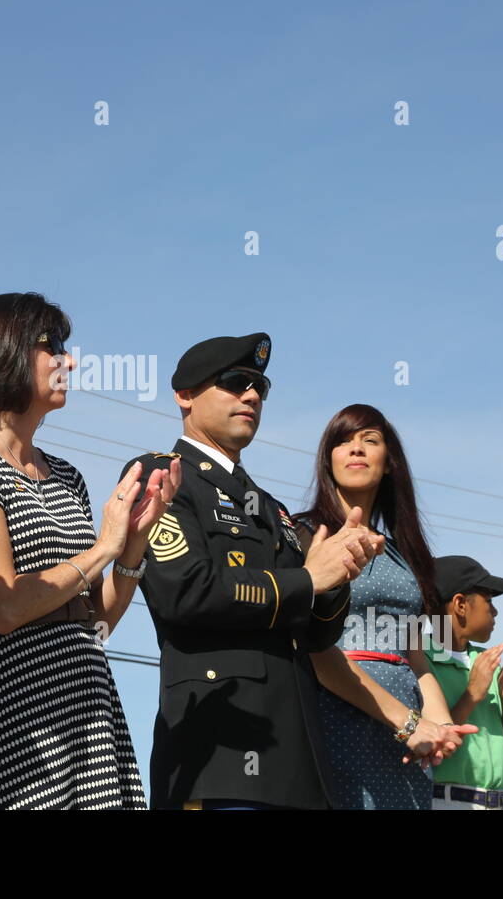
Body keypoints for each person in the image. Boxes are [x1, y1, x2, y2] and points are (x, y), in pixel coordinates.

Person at [0, 293, 178, 809]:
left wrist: (131, 544)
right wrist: (103, 547)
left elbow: (97, 619)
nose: (70, 360)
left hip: (84, 694)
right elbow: (4, 607)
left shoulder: (67, 475)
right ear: (4, 352)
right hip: (12, 699)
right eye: (53, 345)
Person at [122, 333, 384, 810]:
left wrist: (339, 574)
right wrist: (308, 579)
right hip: (219, 758)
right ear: (184, 394)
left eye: (260, 387)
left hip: (300, 765)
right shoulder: (162, 476)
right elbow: (186, 592)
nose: (252, 396)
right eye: (235, 382)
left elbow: (317, 637)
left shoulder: (272, 510)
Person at [294, 404, 463, 809]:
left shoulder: (407, 555)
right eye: (343, 441)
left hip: (406, 742)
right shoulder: (305, 535)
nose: (355, 450)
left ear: (389, 463)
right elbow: (312, 648)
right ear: (328, 459)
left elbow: (416, 656)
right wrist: (408, 723)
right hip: (333, 722)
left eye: (369, 441)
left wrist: (439, 726)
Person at [424, 555, 503, 810]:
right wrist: (472, 694)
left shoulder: (490, 665)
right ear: (461, 604)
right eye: (489, 600)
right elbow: (430, 748)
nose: (495, 611)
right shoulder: (420, 664)